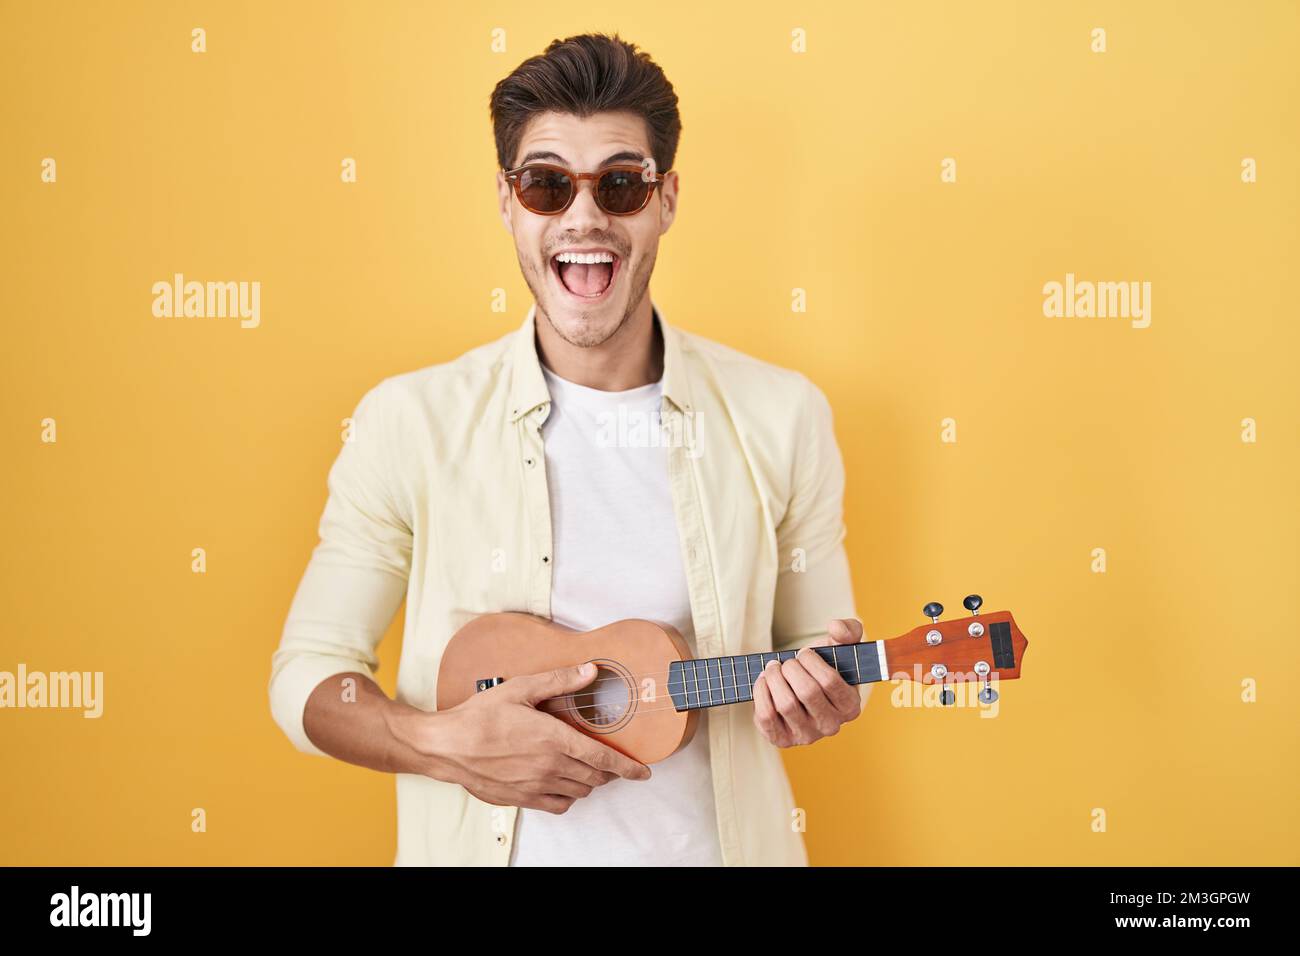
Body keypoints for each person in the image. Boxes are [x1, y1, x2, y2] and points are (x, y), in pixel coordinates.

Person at [269, 32, 869, 866]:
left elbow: (816, 646)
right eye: (548, 184)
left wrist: (820, 693)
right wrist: (440, 744)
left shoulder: (784, 416)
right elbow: (309, 673)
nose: (585, 218)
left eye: (621, 185)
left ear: (665, 200)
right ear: (508, 202)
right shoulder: (408, 422)